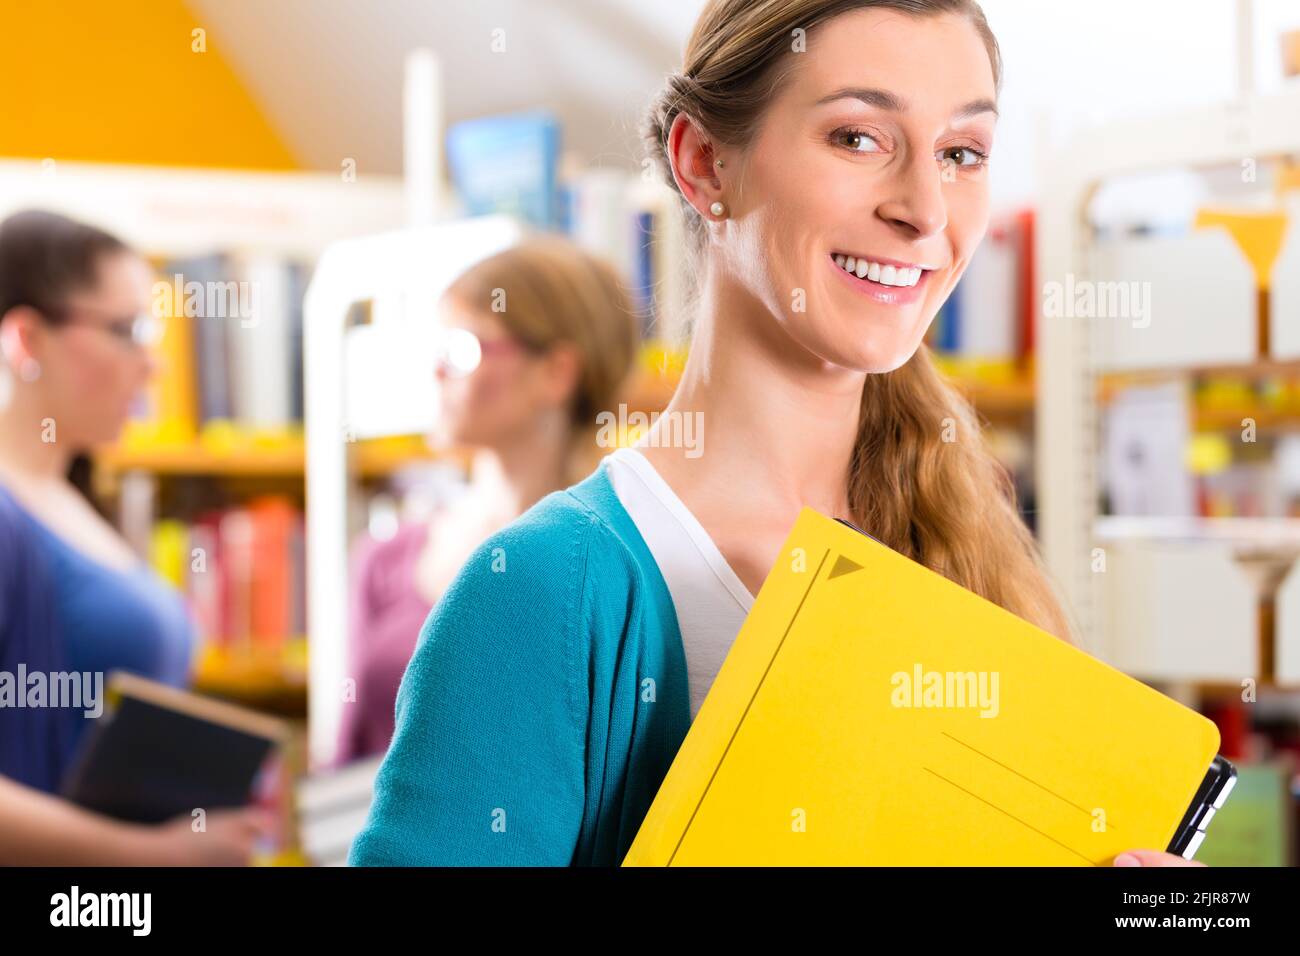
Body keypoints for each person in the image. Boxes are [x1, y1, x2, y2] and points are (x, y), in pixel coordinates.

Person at [350, 0, 1197, 867]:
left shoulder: (973, 563)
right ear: (705, 163)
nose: (926, 209)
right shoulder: (543, 595)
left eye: (962, 154)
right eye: (859, 138)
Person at [0, 209, 269, 863]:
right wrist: (146, 856)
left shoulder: (76, 504)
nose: (152, 366)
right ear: (26, 339)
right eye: (127, 331)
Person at [335, 236, 640, 763]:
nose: (437, 371)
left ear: (556, 372)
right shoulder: (384, 560)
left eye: (463, 349)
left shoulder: (621, 560)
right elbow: (347, 759)